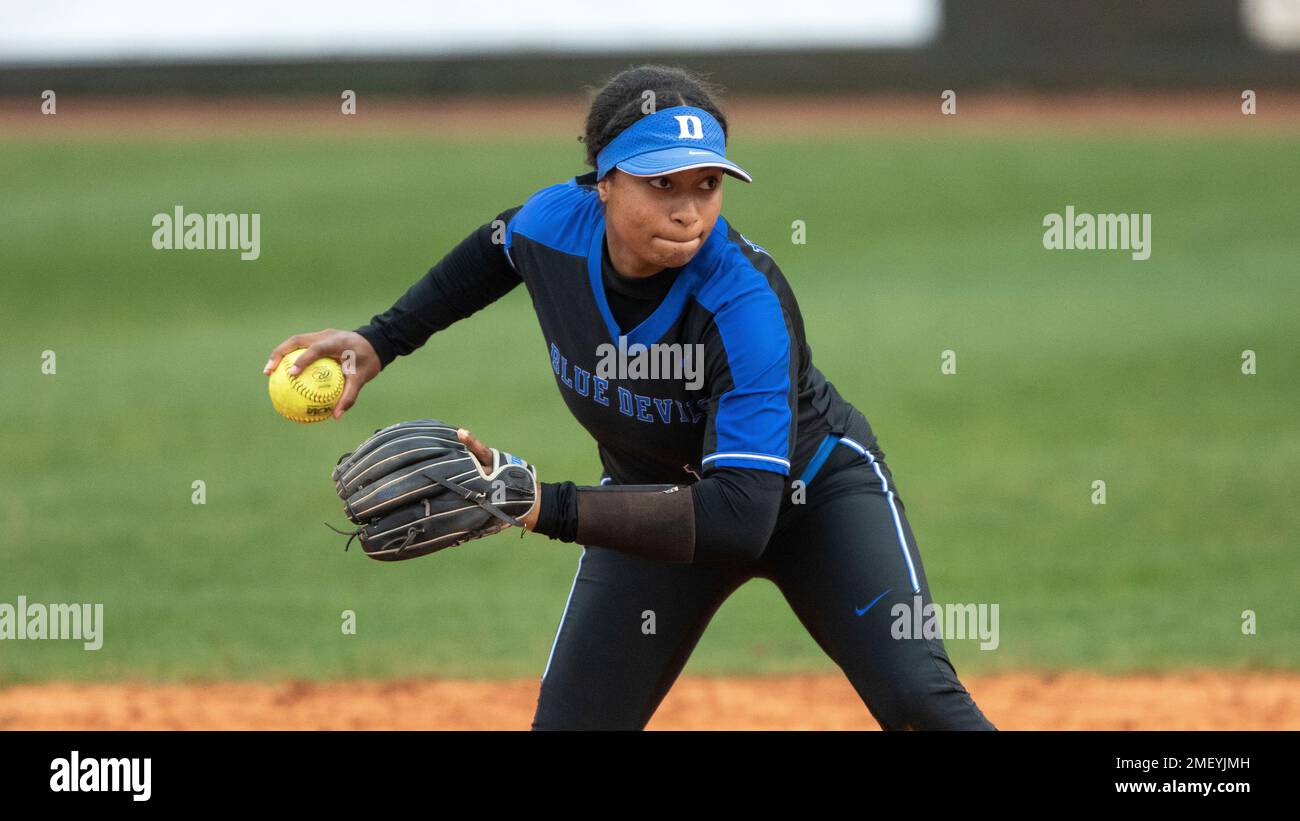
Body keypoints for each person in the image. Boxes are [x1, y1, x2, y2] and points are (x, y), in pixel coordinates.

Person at [264, 65, 995, 731]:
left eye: (706, 185)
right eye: (662, 184)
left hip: (812, 498)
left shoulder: (743, 302)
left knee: (919, 703)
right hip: (655, 507)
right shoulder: (554, 224)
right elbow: (492, 250)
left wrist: (540, 503)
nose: (689, 211)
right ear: (603, 181)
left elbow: (741, 516)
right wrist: (380, 339)